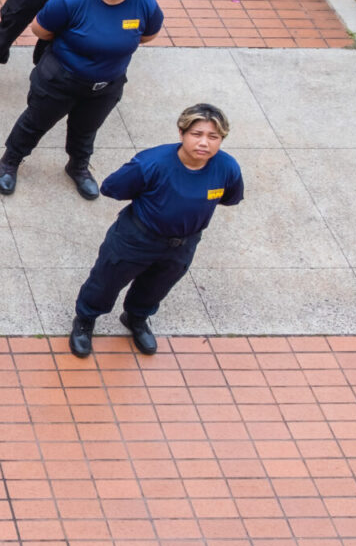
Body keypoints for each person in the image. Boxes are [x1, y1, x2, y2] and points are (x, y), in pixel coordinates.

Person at [68, 104, 243, 357]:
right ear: (182, 133)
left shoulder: (227, 168)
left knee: (158, 286)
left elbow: (229, 197)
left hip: (183, 244)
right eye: (197, 134)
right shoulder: (151, 163)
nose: (204, 143)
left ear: (221, 139)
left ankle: (136, 317)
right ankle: (85, 320)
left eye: (213, 137)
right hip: (136, 238)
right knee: (106, 281)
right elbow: (112, 188)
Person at [0, 0, 163, 199]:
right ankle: (11, 161)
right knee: (34, 123)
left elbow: (148, 35)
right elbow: (41, 30)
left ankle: (78, 167)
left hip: (106, 86)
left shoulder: (145, 3)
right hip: (60, 81)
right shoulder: (70, 0)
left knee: (86, 130)